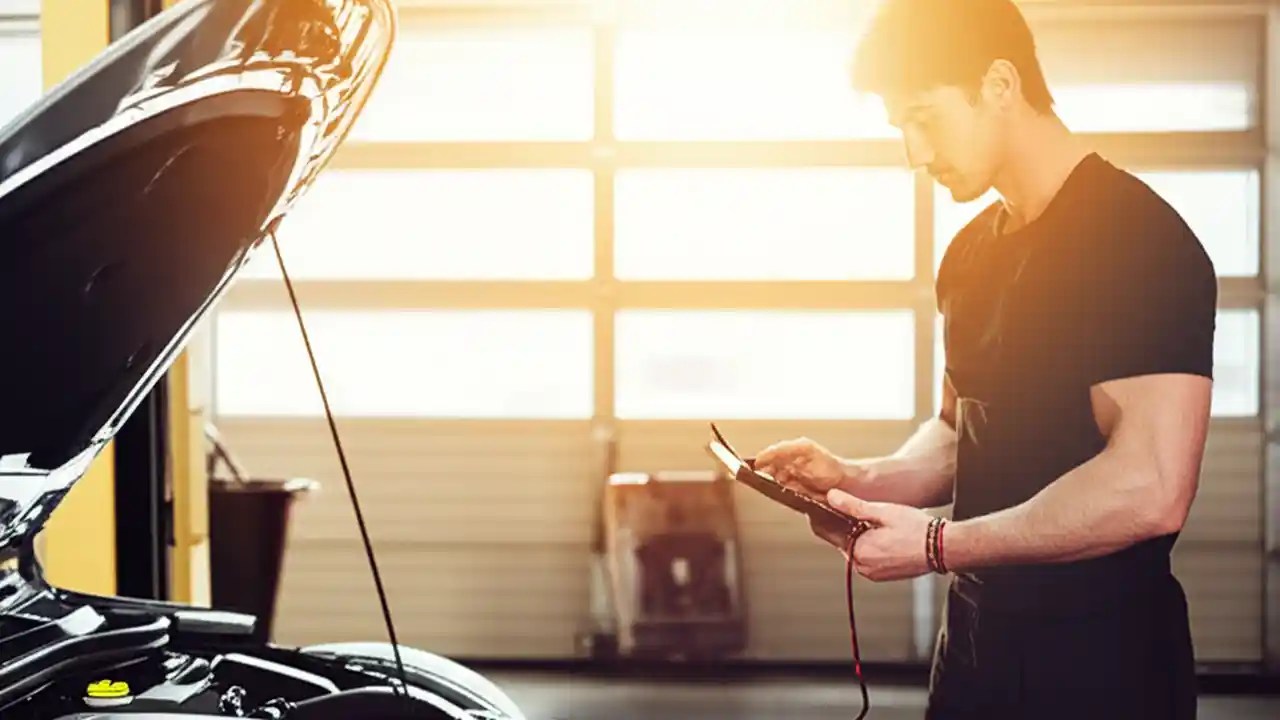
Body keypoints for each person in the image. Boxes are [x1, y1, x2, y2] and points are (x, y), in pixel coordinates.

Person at [752, 0, 1215, 718]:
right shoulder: (970, 255)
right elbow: (961, 431)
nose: (913, 151)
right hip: (975, 645)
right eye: (900, 127)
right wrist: (863, 479)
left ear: (1000, 85)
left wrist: (938, 544)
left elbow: (1151, 486)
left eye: (925, 118)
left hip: (1104, 661)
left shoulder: (1139, 240)